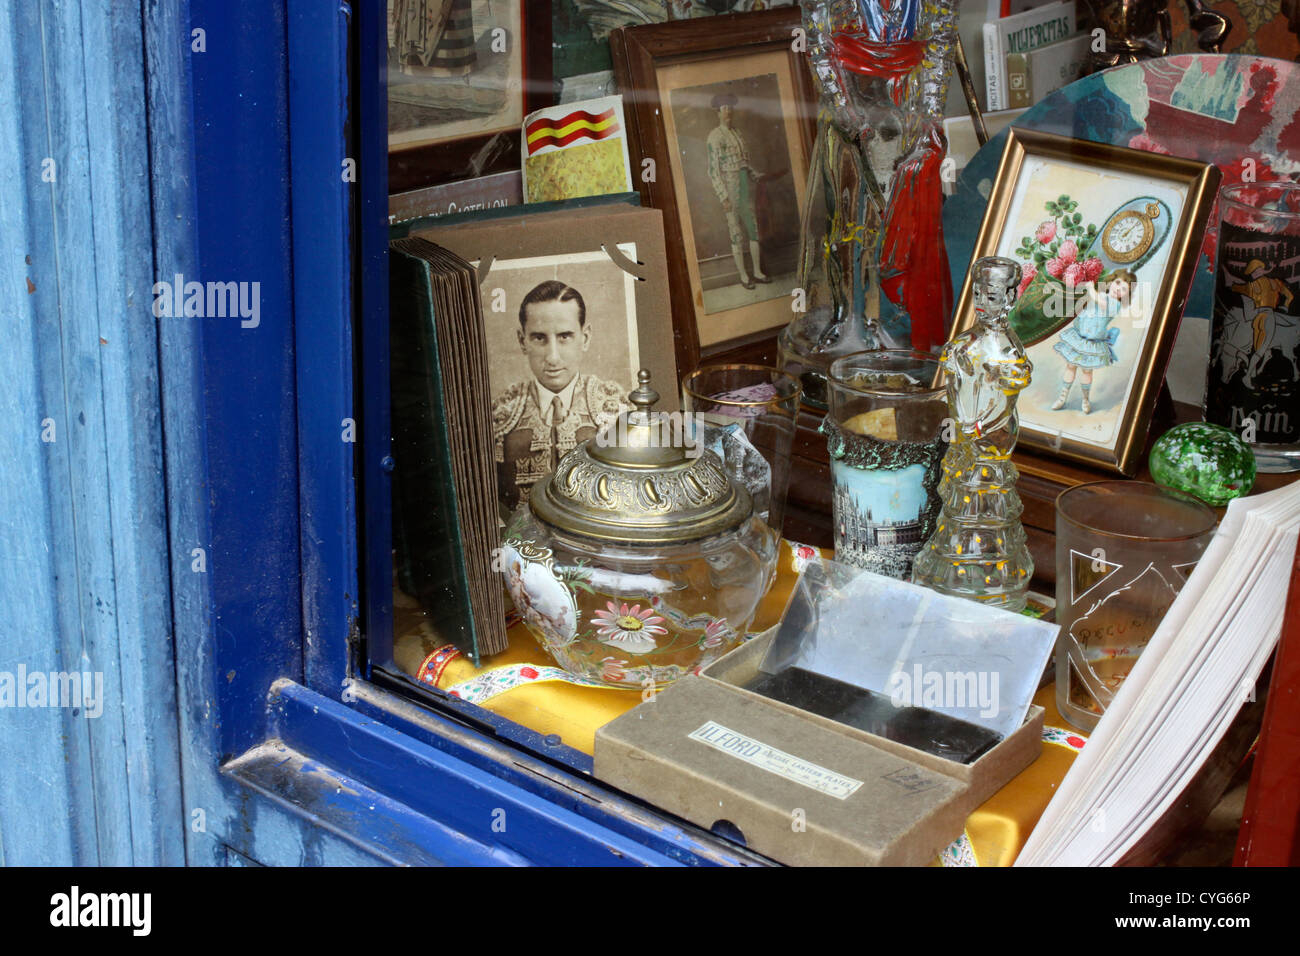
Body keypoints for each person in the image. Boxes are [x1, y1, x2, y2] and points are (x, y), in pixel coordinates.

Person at [492, 280, 625, 515]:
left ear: (585, 338)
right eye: (539, 338)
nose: (552, 358)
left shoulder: (617, 410)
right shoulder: (499, 415)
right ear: (522, 341)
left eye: (564, 336)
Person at [1050, 269, 1136, 415]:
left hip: (1092, 342)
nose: (1118, 289)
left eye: (1124, 289)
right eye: (1117, 283)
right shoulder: (1100, 294)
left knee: (1086, 370)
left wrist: (1090, 288)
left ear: (1126, 295)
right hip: (1079, 337)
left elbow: (1101, 303)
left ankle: (1085, 399)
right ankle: (1062, 397)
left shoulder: (1114, 304)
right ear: (1111, 281)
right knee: (1070, 366)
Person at [706, 92, 770, 290]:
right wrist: (723, 196)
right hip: (730, 187)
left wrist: (754, 174)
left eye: (730, 108)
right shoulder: (715, 136)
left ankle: (758, 272)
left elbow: (743, 163)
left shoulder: (738, 133)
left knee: (753, 230)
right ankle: (744, 276)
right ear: (718, 112)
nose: (728, 112)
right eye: (724, 109)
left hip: (744, 187)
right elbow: (713, 171)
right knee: (736, 232)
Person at [1230, 258, 1294, 386]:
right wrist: (1285, 307)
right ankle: (1248, 376)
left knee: (1257, 349)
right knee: (1261, 349)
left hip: (1258, 319)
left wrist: (1232, 283)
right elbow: (1290, 296)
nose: (1252, 275)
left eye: (1253, 272)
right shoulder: (1275, 283)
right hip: (1269, 317)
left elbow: (1235, 288)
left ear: (1259, 270)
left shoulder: (1253, 286)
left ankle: (1252, 374)